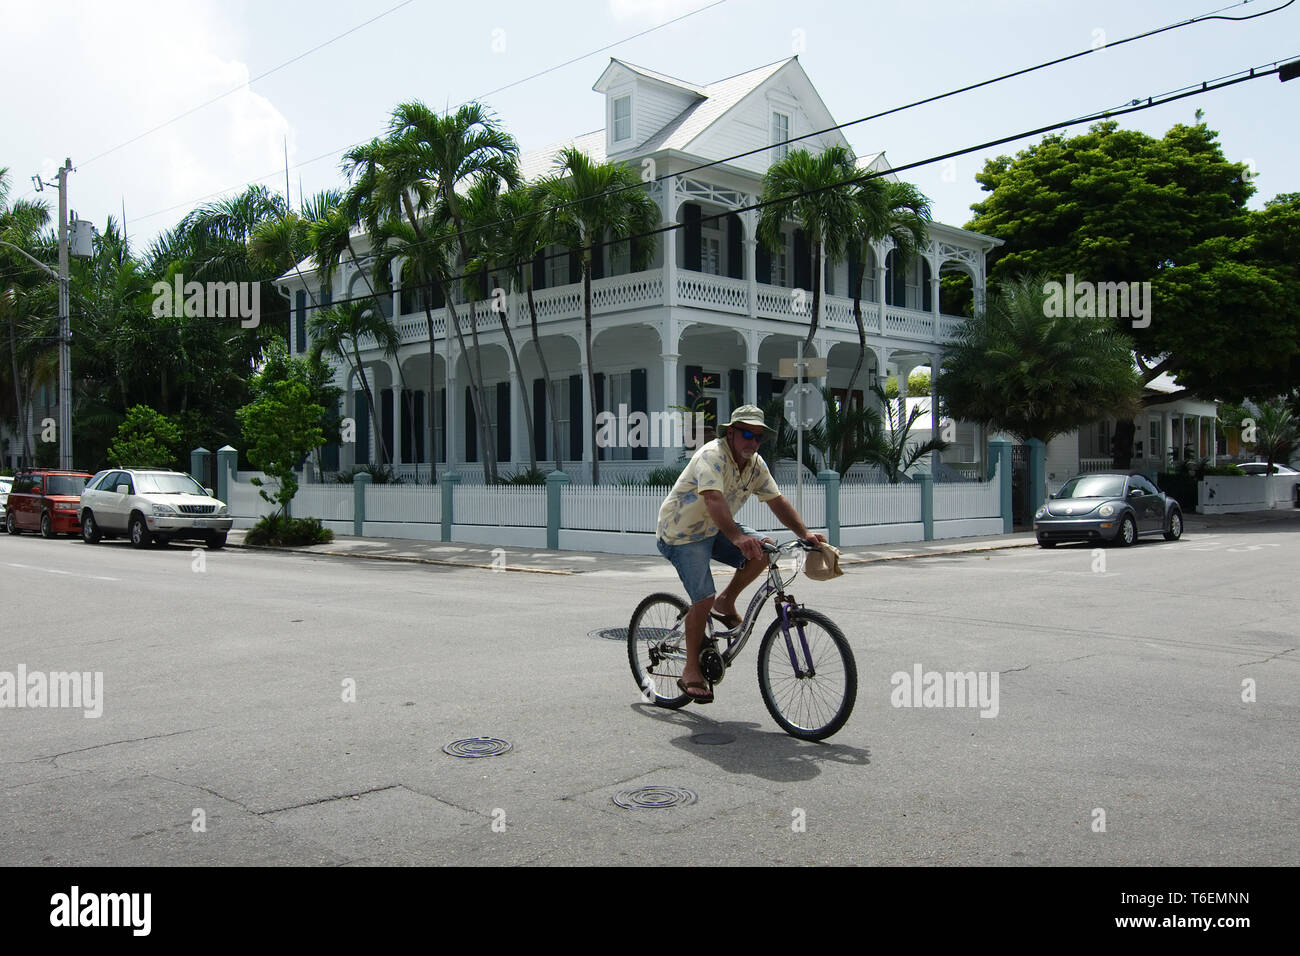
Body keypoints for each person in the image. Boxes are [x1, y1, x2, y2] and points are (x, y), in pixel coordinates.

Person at [655, 405, 825, 703]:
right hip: (682, 533)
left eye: (759, 437)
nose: (753, 441)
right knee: (702, 598)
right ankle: (690, 668)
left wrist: (806, 535)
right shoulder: (712, 455)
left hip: (714, 528)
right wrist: (736, 537)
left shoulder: (755, 464)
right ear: (731, 433)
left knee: (762, 552)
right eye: (747, 433)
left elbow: (777, 500)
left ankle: (727, 600)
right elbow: (714, 499)